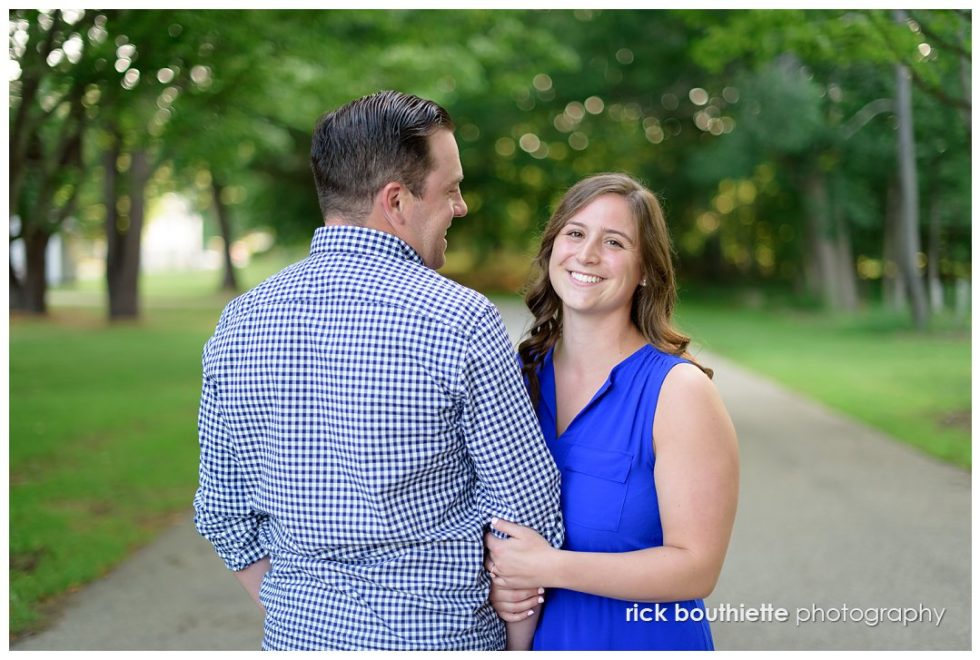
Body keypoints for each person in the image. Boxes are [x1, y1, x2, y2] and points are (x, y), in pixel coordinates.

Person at [193, 90, 563, 651]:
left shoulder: (240, 320)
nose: (460, 207)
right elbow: (525, 510)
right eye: (451, 189)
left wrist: (304, 613)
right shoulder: (461, 320)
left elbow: (222, 511)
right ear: (396, 201)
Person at [484, 173, 739, 650]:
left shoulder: (677, 392)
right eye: (575, 233)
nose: (587, 254)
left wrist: (546, 566)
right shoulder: (517, 377)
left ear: (645, 269)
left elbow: (697, 568)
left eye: (615, 242)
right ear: (552, 247)